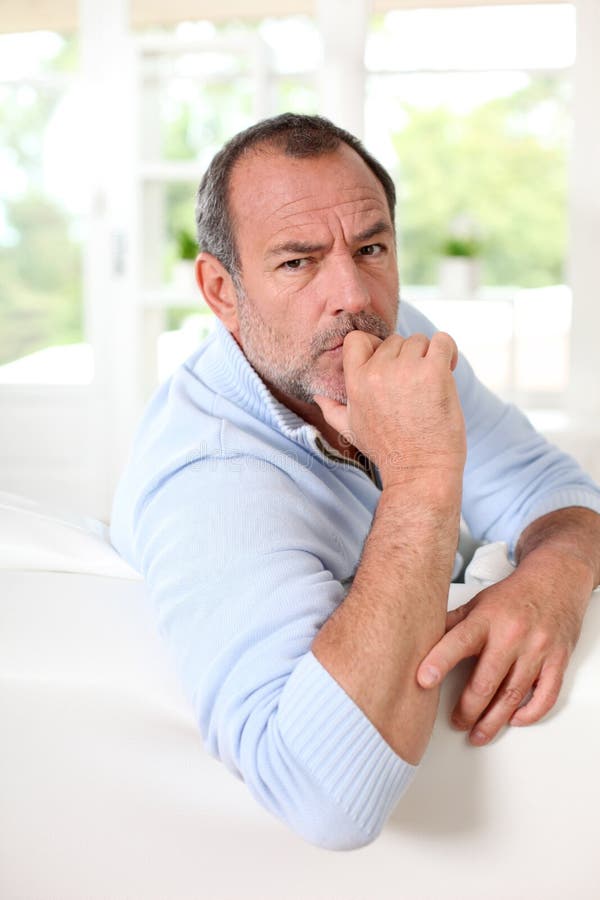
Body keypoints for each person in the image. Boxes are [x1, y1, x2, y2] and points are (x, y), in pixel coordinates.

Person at [111, 113, 600, 850]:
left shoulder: (388, 343)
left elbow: (550, 487)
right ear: (221, 289)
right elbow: (322, 800)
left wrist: (556, 575)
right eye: (297, 262)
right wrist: (422, 479)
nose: (354, 296)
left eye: (370, 249)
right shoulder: (210, 481)